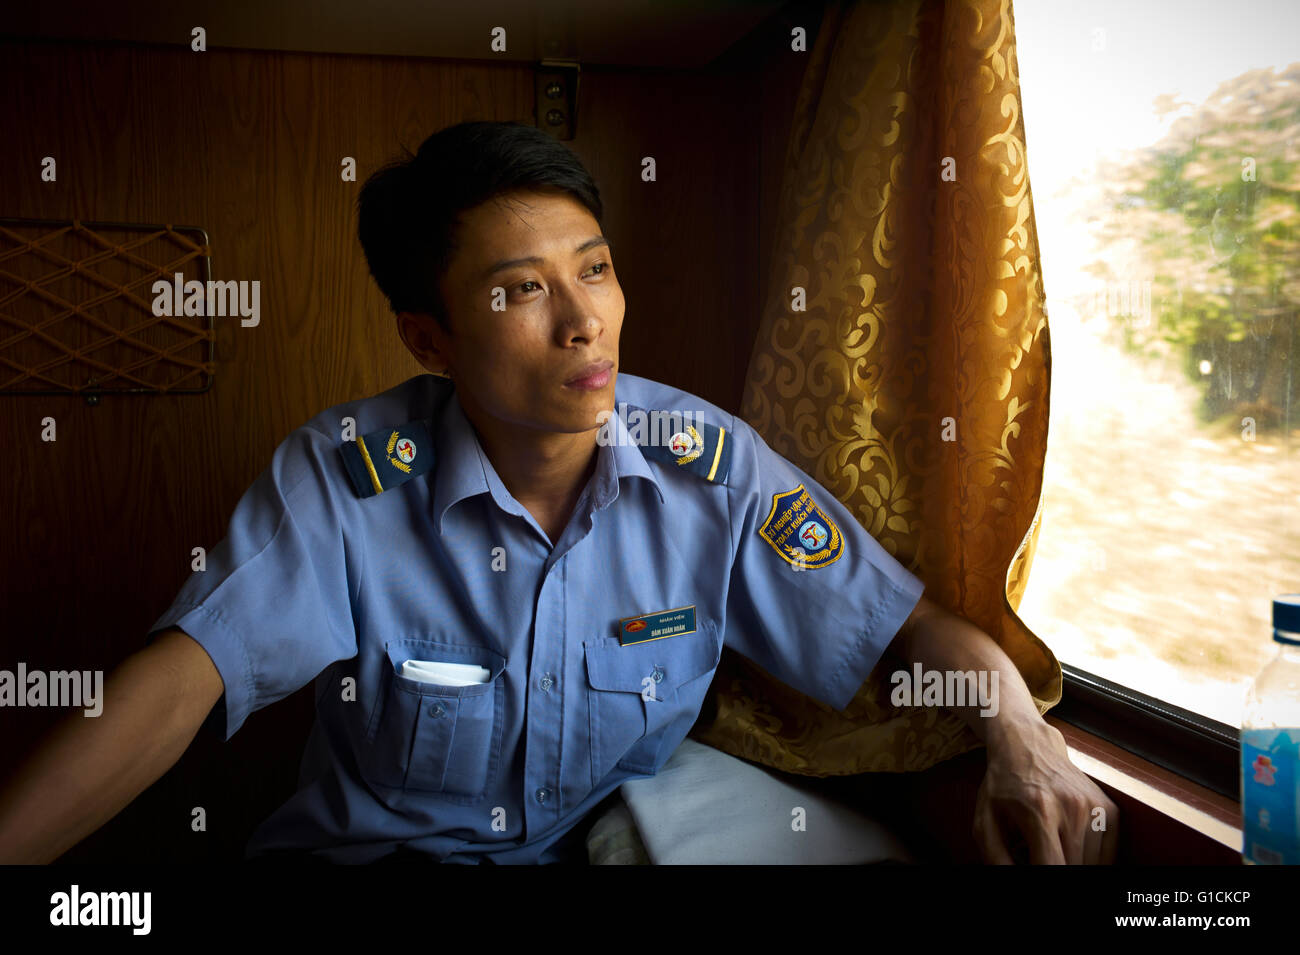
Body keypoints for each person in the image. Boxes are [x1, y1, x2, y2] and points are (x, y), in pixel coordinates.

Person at [0, 121, 1117, 864]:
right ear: (429, 339)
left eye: (593, 267)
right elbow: (176, 684)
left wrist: (1021, 733)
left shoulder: (704, 465)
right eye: (520, 290)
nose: (583, 319)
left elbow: (900, 621)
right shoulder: (347, 474)